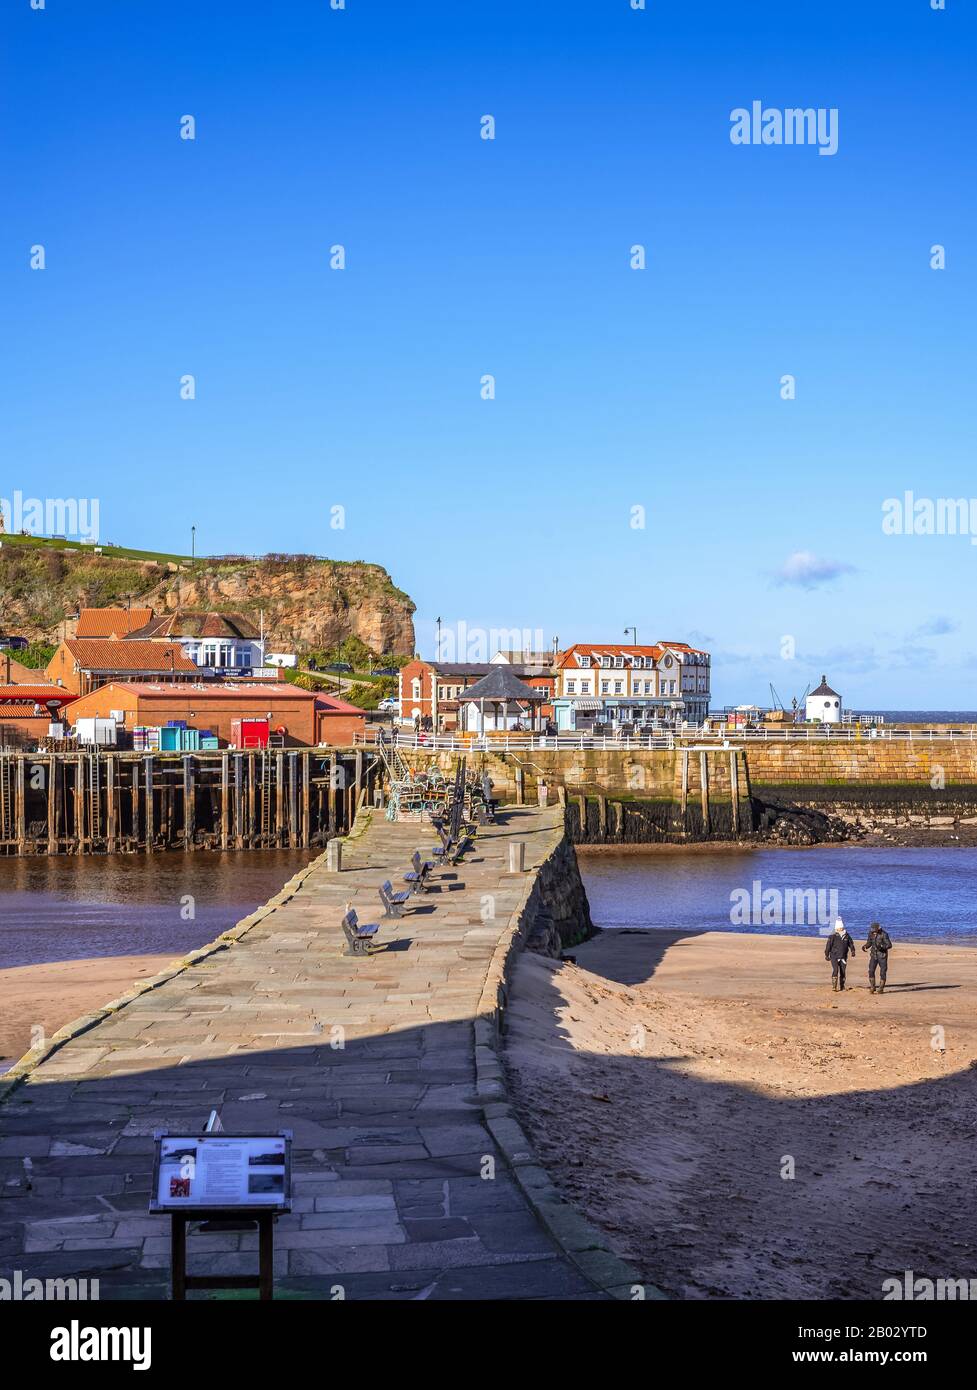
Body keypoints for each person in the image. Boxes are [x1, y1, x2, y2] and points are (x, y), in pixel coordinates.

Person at [824, 917, 855, 992]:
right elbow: (828, 946)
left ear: (842, 927)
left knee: (843, 971)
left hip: (843, 956)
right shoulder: (832, 936)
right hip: (834, 956)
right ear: (836, 928)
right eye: (838, 928)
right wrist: (826, 955)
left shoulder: (846, 935)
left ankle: (842, 986)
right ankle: (834, 987)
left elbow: (851, 943)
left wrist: (853, 951)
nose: (839, 929)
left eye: (840, 928)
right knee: (835, 970)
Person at [862, 921, 893, 994]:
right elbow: (869, 942)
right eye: (872, 930)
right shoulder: (870, 933)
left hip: (882, 956)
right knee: (871, 971)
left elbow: (889, 945)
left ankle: (881, 988)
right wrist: (865, 946)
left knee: (883, 972)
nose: (873, 931)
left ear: (878, 929)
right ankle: (872, 987)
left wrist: (882, 946)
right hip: (873, 955)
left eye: (874, 930)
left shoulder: (884, 934)